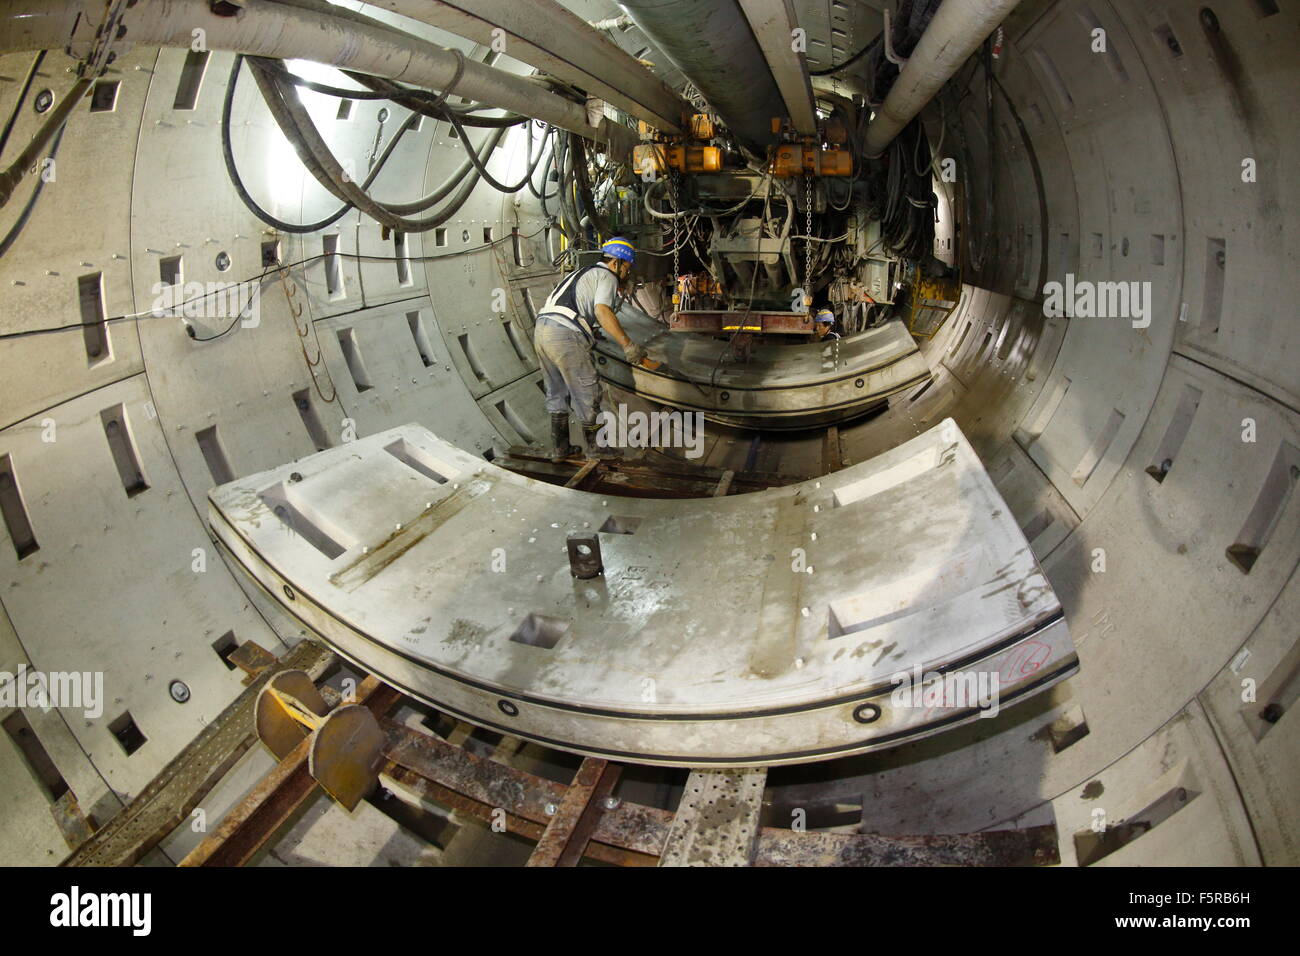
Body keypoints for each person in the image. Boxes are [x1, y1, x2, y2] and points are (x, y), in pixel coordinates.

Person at [534, 238, 647, 461]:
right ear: (616, 262)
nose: (626, 273)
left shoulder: (582, 272)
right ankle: (597, 449)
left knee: (556, 391)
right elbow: (602, 310)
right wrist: (628, 345)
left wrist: (587, 330)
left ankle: (560, 448)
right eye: (627, 267)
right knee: (587, 390)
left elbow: (576, 304)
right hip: (565, 334)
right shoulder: (607, 276)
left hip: (542, 329)